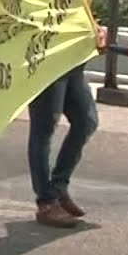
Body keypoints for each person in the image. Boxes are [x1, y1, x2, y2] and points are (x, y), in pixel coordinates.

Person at [27, 61, 101, 227]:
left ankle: (59, 186)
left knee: (86, 122)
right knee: (43, 129)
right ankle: (46, 201)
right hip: (48, 60)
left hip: (73, 62)